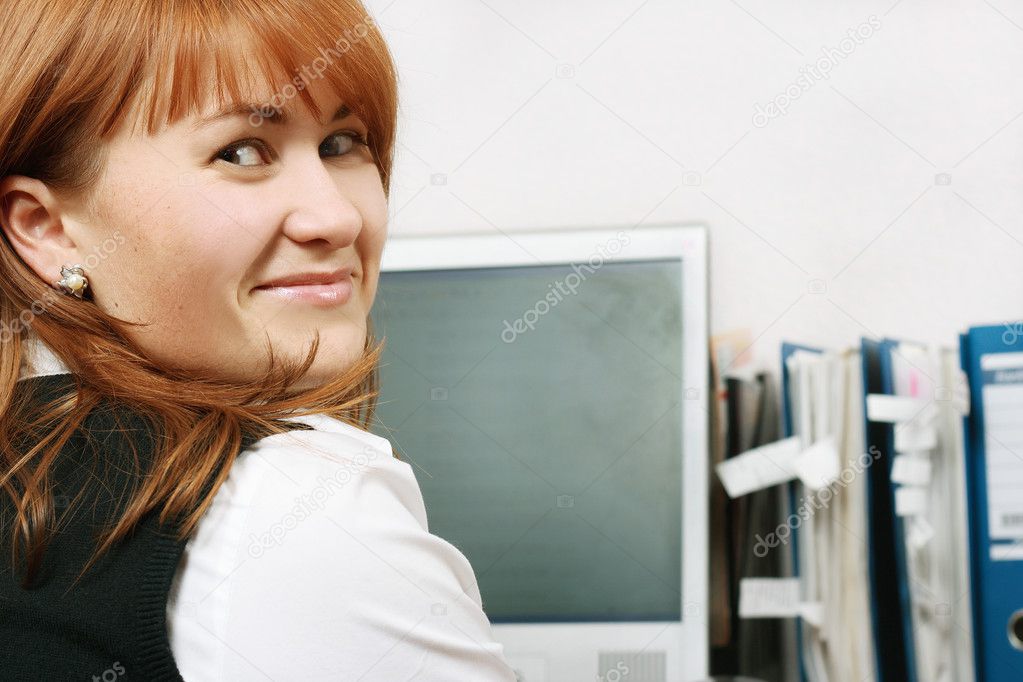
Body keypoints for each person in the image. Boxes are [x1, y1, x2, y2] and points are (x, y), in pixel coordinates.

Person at [0, 1, 518, 680]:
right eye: (241, 153)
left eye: (342, 143)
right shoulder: (290, 514)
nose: (335, 217)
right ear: (49, 229)